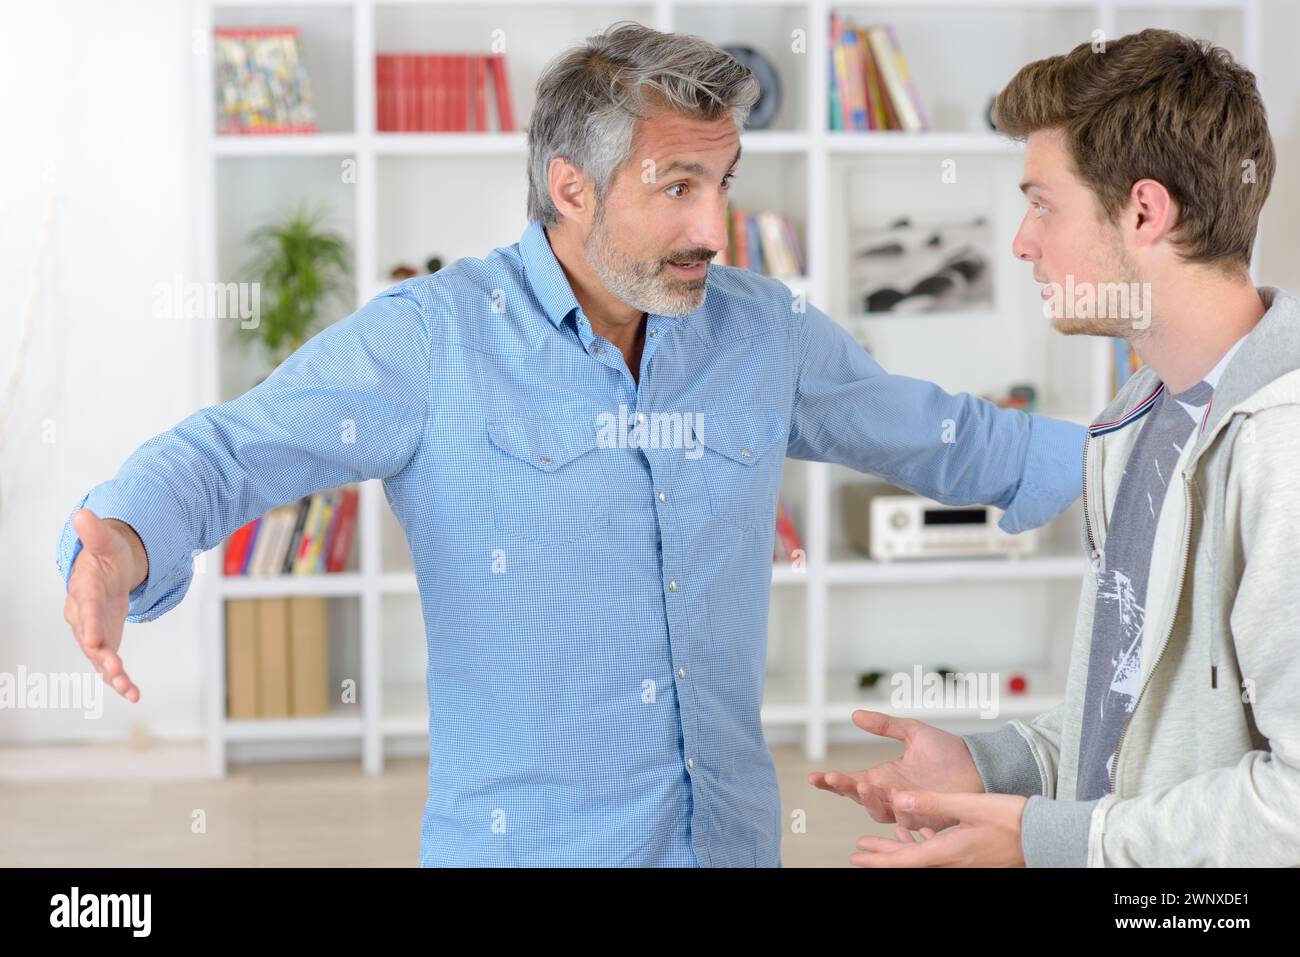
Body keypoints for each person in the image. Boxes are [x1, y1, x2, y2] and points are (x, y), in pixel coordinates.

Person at [59, 22, 1083, 866]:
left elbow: (945, 436)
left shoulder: (763, 330)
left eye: (723, 183)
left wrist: (1145, 451)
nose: (714, 228)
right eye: (677, 186)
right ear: (571, 186)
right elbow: (231, 453)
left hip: (728, 845)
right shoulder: (433, 338)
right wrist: (120, 544)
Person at [812, 28, 1299, 868]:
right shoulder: (1132, 422)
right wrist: (989, 765)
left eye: (1043, 204)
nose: (1022, 241)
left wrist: (1042, 839)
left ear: (1145, 211)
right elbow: (1135, 712)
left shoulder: (1282, 450)